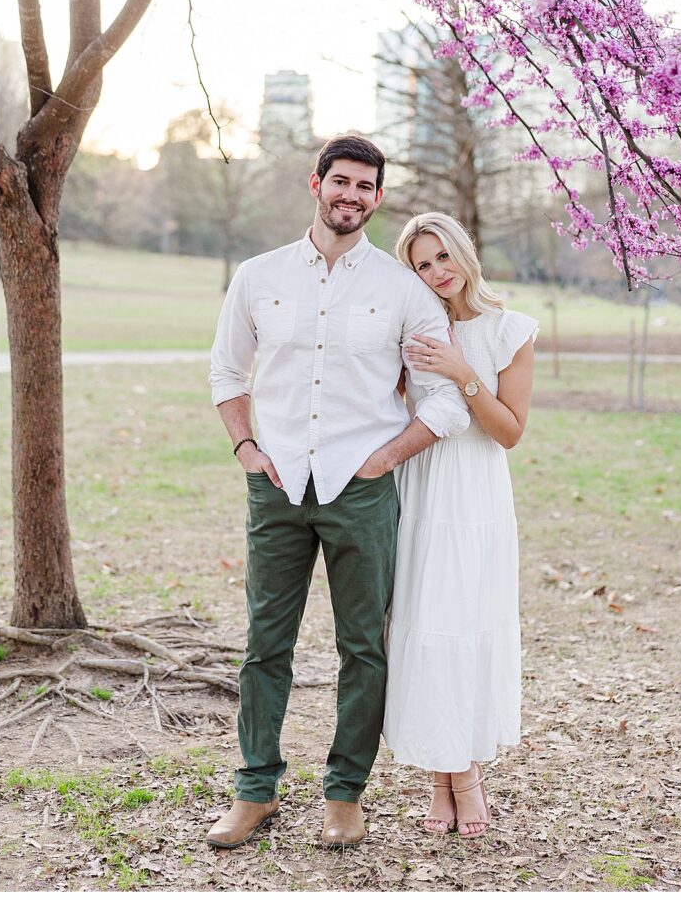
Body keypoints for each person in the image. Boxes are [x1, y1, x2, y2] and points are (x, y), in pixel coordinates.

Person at [205, 139, 469, 850]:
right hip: (277, 486)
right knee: (265, 644)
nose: (351, 195)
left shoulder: (404, 289)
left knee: (363, 648)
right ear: (316, 184)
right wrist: (246, 449)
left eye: (365, 186)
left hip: (362, 492)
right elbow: (227, 373)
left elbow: (445, 400)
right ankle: (255, 790)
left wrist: (384, 459)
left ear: (378, 198)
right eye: (340, 181)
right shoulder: (258, 277)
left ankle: (344, 795)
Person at [382, 212, 538, 838]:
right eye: (422, 265)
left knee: (465, 622)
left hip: (475, 491)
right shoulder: (414, 328)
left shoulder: (510, 329)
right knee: (424, 622)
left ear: (464, 253)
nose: (436, 272)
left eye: (443, 256)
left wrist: (462, 373)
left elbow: (510, 432)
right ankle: (443, 775)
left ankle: (463, 774)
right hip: (420, 485)